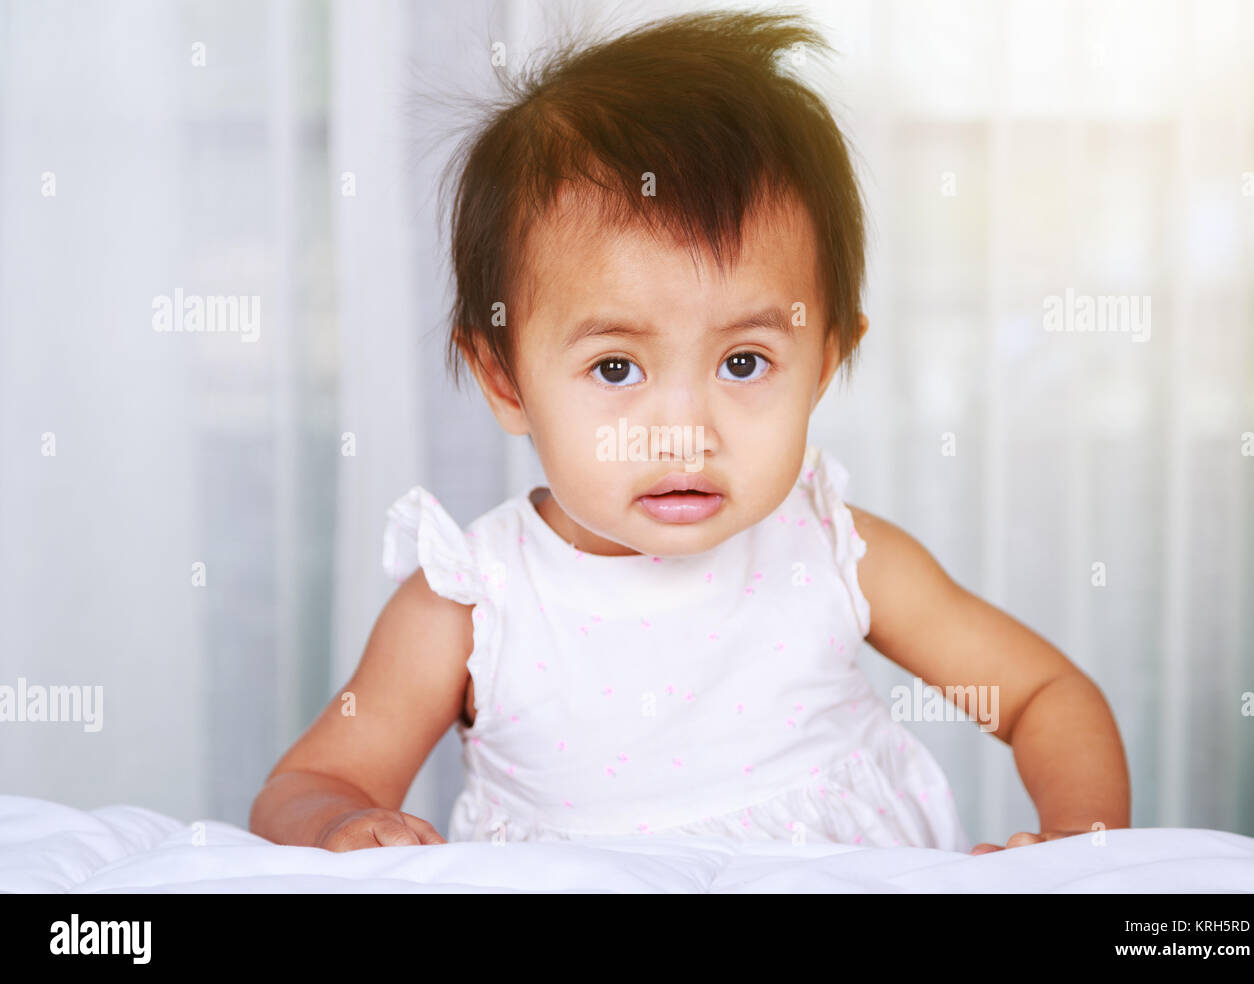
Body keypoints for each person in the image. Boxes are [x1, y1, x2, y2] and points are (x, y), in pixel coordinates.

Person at [249, 9, 1129, 855]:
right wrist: (338, 824)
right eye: (616, 368)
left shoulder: (837, 554)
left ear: (825, 363)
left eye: (744, 363)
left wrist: (1077, 850)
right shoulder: (470, 606)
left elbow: (1047, 696)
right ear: (503, 379)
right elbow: (313, 781)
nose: (682, 435)